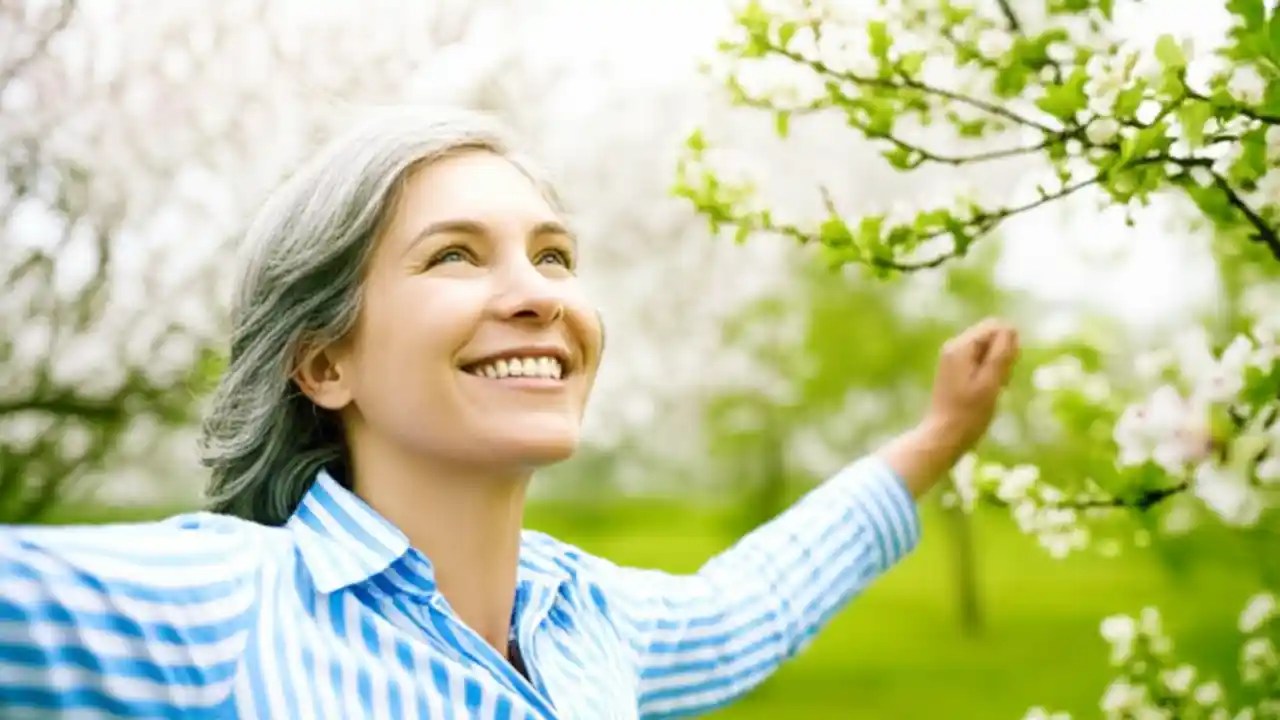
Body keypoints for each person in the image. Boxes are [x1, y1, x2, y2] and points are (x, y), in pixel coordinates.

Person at [0, 107, 1019, 719]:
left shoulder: (590, 620)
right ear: (321, 363)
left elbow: (746, 607)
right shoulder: (223, 610)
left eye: (554, 255)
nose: (540, 295)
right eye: (452, 255)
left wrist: (933, 441)